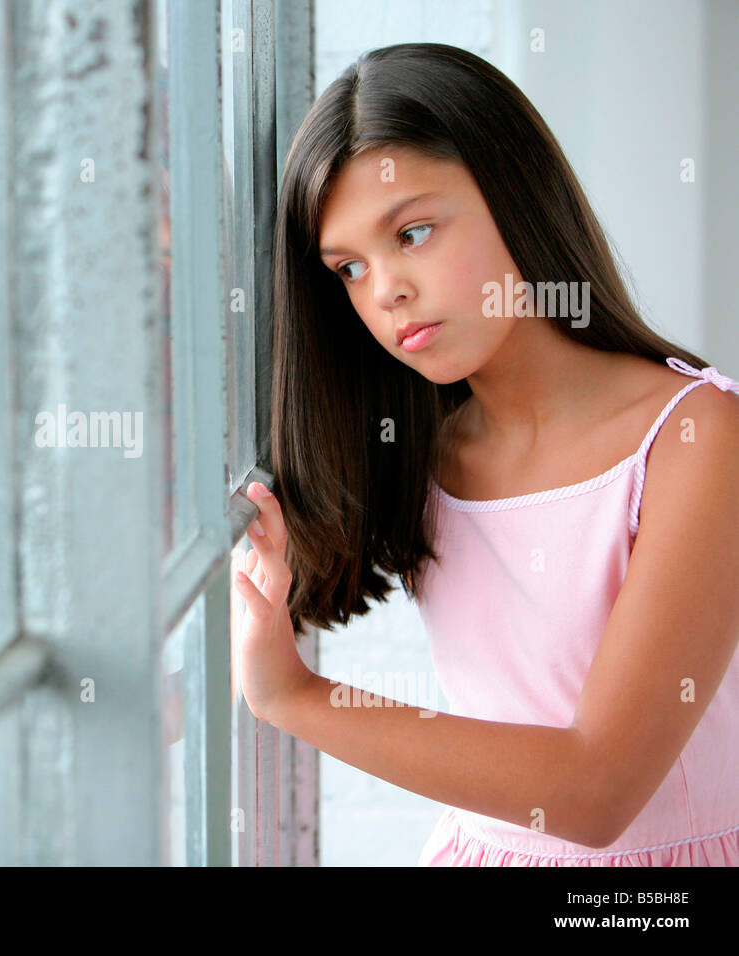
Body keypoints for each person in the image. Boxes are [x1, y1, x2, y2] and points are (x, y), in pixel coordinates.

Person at [231, 42, 739, 865]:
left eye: (415, 231)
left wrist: (296, 697)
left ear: (516, 195)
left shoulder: (695, 436)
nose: (385, 289)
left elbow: (596, 791)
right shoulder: (414, 454)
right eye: (350, 267)